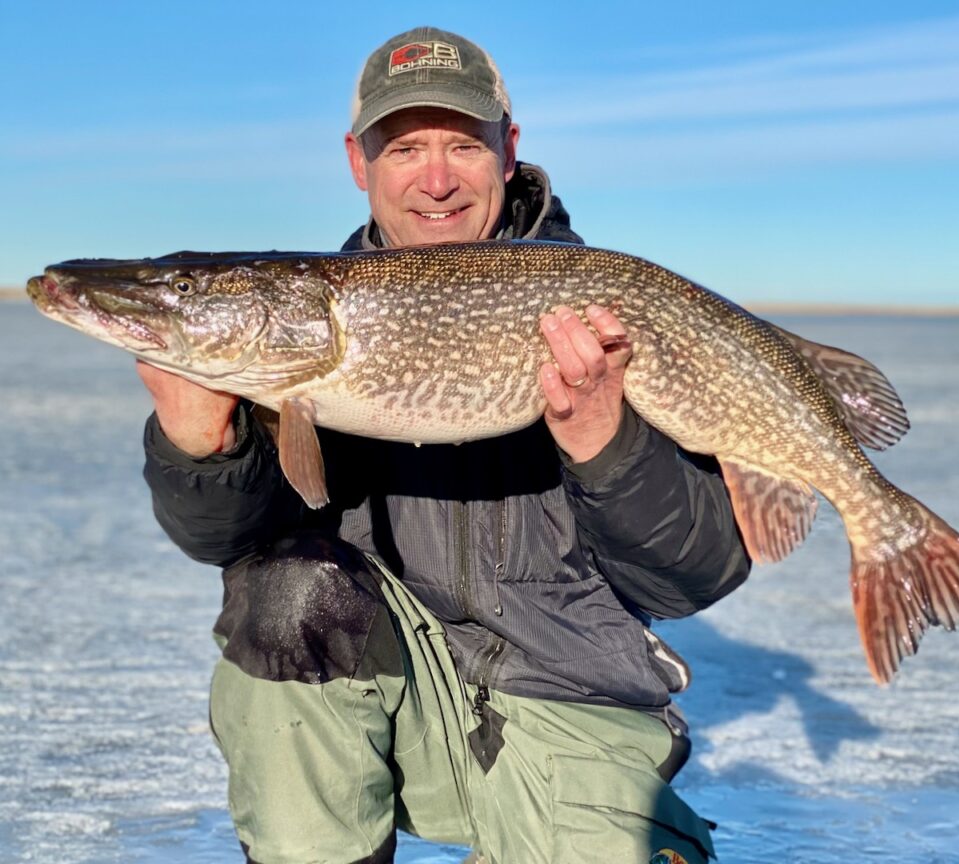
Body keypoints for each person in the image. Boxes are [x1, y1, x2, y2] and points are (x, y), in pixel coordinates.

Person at [137, 26, 750, 864]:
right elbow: (230, 547)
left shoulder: (603, 315)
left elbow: (695, 576)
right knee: (282, 596)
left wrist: (606, 445)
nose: (435, 179)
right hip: (390, 707)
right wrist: (201, 453)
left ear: (509, 151)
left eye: (463, 143)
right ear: (359, 162)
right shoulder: (306, 333)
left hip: (573, 708)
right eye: (404, 148)